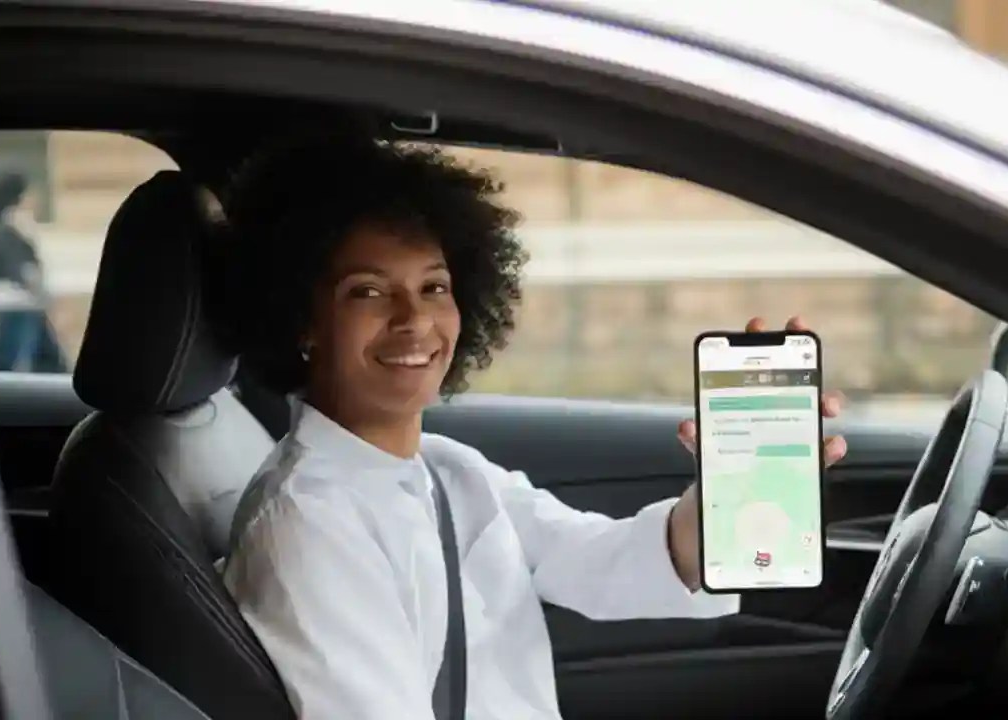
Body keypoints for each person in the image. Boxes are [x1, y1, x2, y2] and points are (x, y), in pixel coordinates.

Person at [219, 135, 848, 720]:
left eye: (434, 287)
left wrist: (735, 486)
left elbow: (600, 558)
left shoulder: (445, 468)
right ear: (302, 321)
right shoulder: (308, 524)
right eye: (368, 292)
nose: (415, 320)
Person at [0, 170, 66, 373]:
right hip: (17, 308)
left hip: (26, 308)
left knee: (48, 367)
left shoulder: (8, 228)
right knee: (6, 370)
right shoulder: (5, 231)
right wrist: (46, 297)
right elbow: (22, 271)